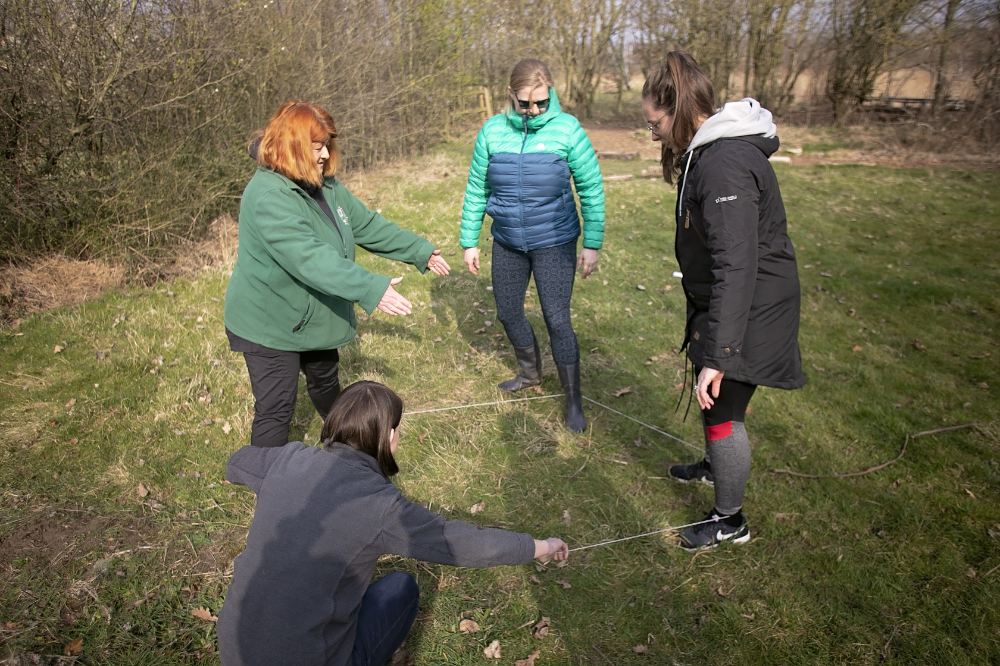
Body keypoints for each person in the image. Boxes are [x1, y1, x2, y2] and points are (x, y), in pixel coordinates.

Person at [216, 380, 569, 666]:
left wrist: (279, 476)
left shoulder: (288, 459)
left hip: (234, 647)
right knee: (400, 588)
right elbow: (464, 542)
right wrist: (540, 547)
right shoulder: (381, 506)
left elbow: (238, 463)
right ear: (388, 437)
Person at [641, 53, 806, 550]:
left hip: (753, 306)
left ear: (682, 109)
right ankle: (715, 469)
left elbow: (738, 265)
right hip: (733, 300)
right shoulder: (710, 152)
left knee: (722, 409)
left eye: (655, 123)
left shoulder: (725, 164)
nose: (652, 134)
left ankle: (729, 520)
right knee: (715, 396)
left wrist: (720, 355)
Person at [224, 101, 450, 448]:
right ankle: (267, 486)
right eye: (318, 147)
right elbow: (311, 259)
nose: (327, 155)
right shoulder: (268, 195)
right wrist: (370, 288)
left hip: (311, 314)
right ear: (295, 147)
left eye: (328, 145)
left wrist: (418, 251)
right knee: (276, 407)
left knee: (327, 385)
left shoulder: (325, 186)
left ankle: (348, 453)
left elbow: (365, 224)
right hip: (268, 322)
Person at [460, 58, 605, 432]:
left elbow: (590, 188)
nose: (534, 110)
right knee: (508, 313)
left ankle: (573, 401)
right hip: (507, 240)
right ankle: (529, 374)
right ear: (511, 96)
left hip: (555, 240)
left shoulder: (568, 130)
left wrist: (592, 242)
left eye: (541, 102)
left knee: (557, 319)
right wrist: (469, 241)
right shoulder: (491, 132)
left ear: (550, 94)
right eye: (525, 103)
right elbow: (477, 189)